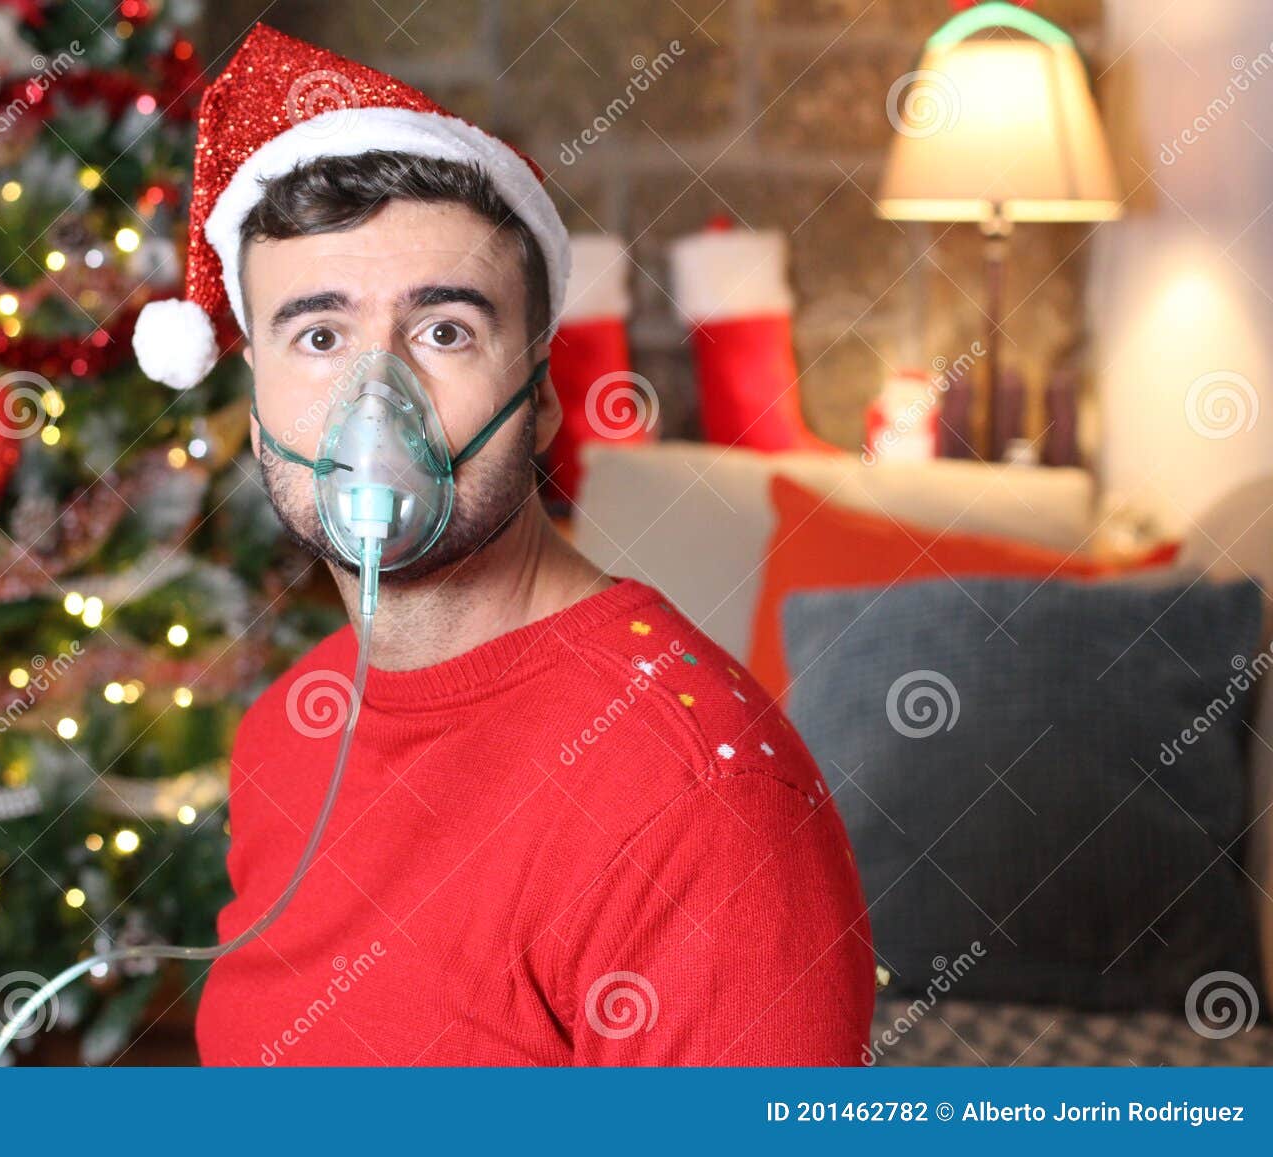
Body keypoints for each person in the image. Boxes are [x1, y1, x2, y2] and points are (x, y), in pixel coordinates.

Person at [132, 24, 874, 1066]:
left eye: (444, 331)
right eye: (318, 335)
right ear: (256, 416)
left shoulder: (701, 808)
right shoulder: (290, 729)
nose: (374, 402)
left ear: (541, 398)